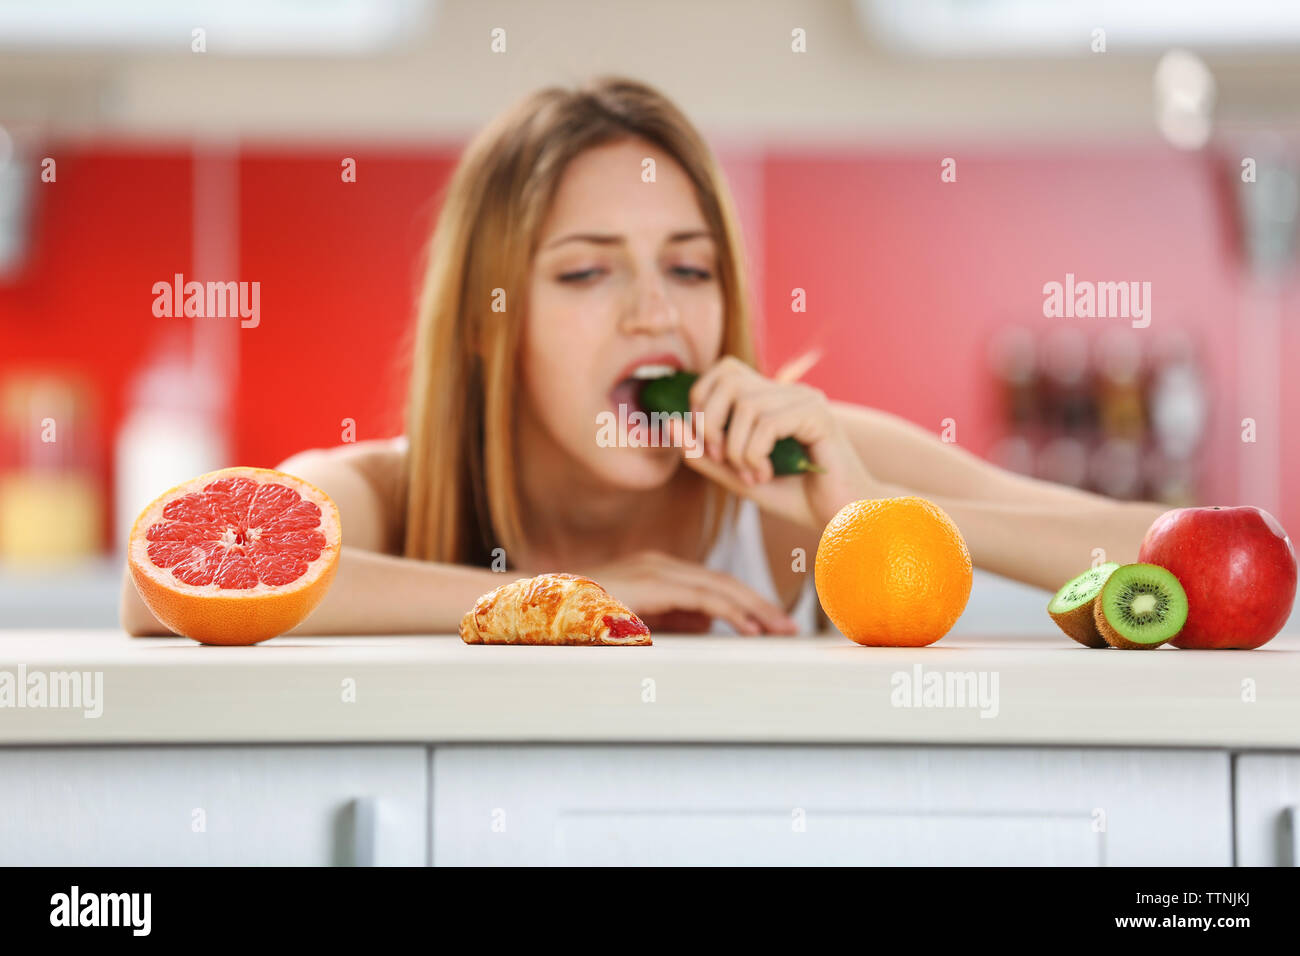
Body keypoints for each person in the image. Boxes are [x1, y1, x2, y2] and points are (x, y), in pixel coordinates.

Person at [121, 76, 1165, 638]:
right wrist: (563, 592)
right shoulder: (394, 489)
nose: (654, 313)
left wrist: (860, 508)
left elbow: (1163, 558)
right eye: (586, 274)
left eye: (690, 268)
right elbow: (157, 583)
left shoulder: (806, 467)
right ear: (490, 320)